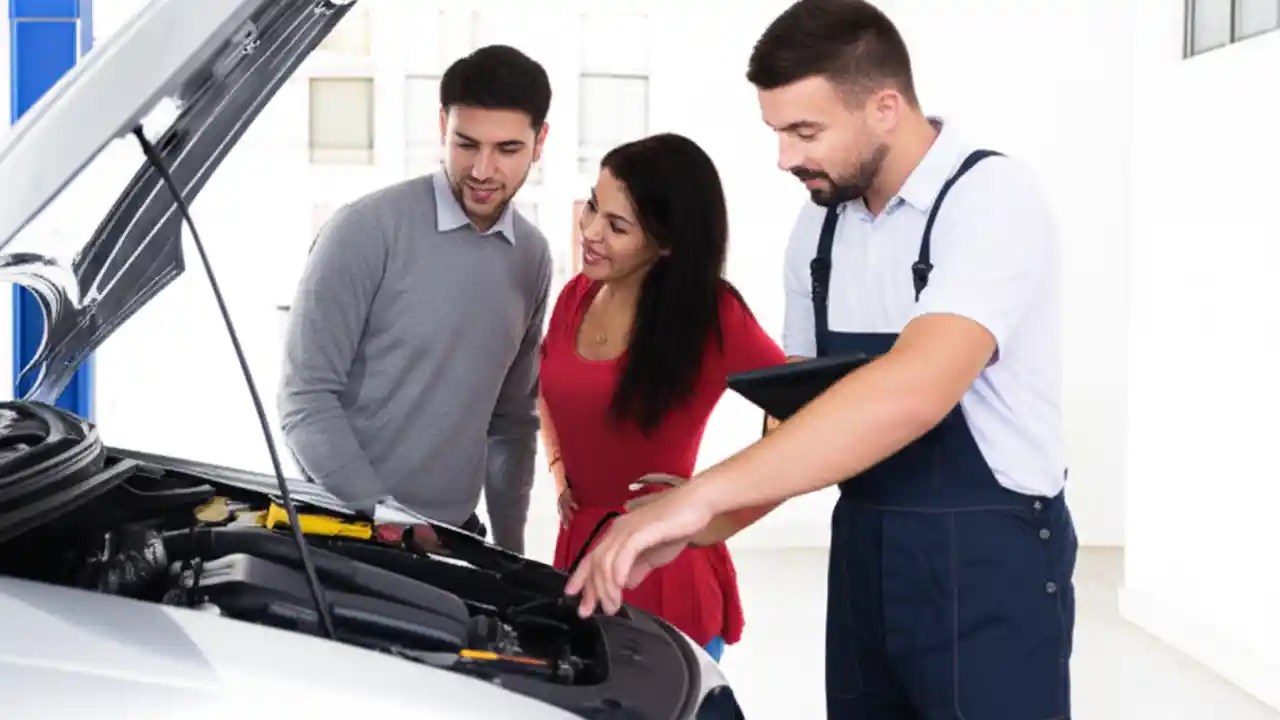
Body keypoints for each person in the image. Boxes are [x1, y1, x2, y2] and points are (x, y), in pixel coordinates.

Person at [564, 1, 1076, 717]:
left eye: (806, 131)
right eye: (777, 132)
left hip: (990, 563)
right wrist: (702, 525)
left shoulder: (989, 201)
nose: (785, 158)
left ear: (885, 108)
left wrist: (700, 493)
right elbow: (805, 420)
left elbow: (915, 390)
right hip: (866, 556)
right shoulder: (819, 231)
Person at [278, 45, 553, 554]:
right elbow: (305, 401)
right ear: (441, 126)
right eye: (465, 144)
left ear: (540, 143)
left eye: (507, 149)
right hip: (343, 532)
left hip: (453, 537)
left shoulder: (532, 256)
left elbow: (512, 420)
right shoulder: (364, 231)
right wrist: (387, 516)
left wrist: (512, 553)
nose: (482, 169)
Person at [537, 133, 787, 662]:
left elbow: (803, 410)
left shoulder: (713, 317)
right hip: (578, 549)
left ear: (667, 243)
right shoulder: (574, 296)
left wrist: (713, 511)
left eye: (617, 226)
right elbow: (550, 387)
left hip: (667, 569)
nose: (590, 232)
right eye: (594, 208)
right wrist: (561, 469)